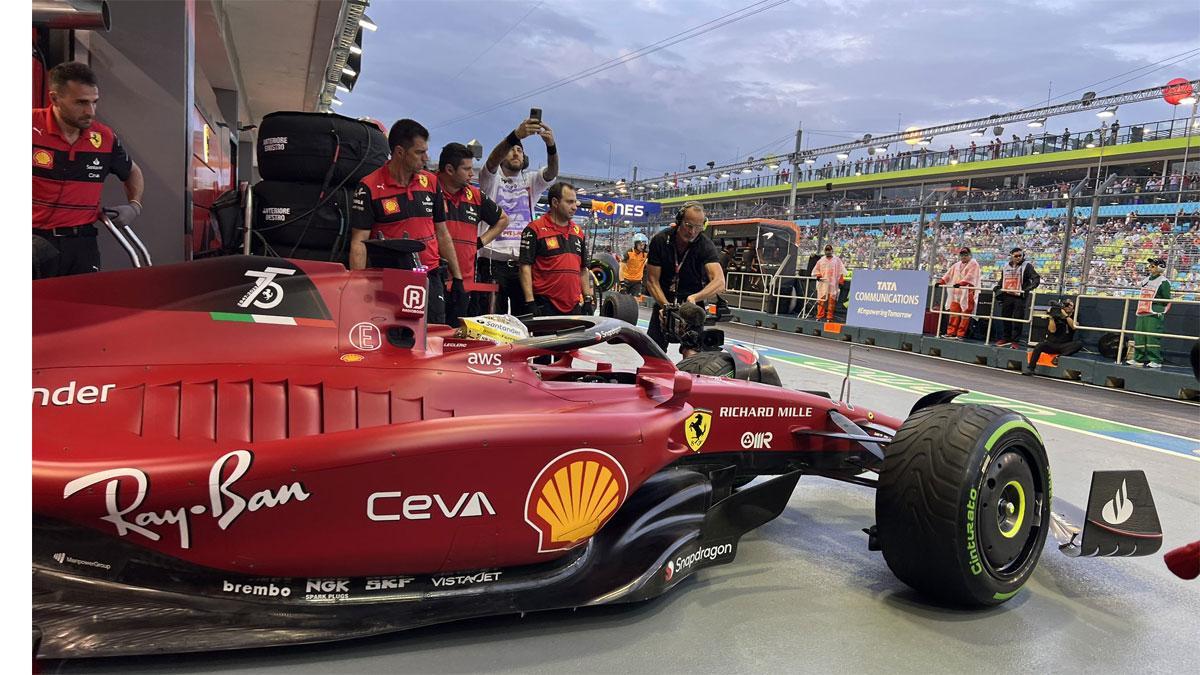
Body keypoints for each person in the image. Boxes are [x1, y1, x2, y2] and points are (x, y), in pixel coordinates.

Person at [33, 61, 145, 278]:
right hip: (33, 239)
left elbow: (132, 171)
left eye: (94, 102)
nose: (90, 111)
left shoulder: (104, 137)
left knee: (85, 299)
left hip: (82, 243)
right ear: (54, 98)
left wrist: (135, 206)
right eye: (81, 103)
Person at [349, 119, 464, 324]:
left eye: (426, 151)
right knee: (392, 336)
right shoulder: (369, 186)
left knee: (432, 335)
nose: (426, 158)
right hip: (389, 278)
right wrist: (358, 285)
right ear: (400, 152)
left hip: (429, 276)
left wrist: (457, 278)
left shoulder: (431, 182)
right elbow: (359, 241)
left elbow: (442, 231)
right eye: (419, 152)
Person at [479, 116, 559, 314]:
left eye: (520, 150)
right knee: (491, 322)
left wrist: (551, 146)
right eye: (511, 149)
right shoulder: (490, 179)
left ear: (525, 158)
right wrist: (516, 136)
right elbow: (491, 161)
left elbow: (551, 172)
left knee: (525, 320)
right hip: (491, 263)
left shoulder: (530, 181)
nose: (516, 152)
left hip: (523, 265)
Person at [436, 142, 509, 325]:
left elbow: (503, 220)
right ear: (449, 169)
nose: (472, 174)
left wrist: (480, 242)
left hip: (463, 283)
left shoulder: (475, 195)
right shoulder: (429, 189)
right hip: (433, 280)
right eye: (467, 169)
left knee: (457, 336)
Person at [644, 202, 725, 355]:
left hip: (691, 307)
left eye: (698, 227)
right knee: (653, 353)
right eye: (688, 225)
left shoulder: (705, 245)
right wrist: (666, 308)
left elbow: (720, 282)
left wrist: (695, 297)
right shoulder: (660, 240)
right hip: (664, 301)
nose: (692, 232)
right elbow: (652, 281)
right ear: (679, 220)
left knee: (692, 354)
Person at [519, 182, 593, 316]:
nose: (574, 207)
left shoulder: (578, 232)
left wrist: (587, 298)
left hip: (574, 306)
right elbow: (525, 267)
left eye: (575, 202)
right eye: (569, 202)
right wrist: (530, 302)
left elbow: (583, 269)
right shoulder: (534, 229)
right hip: (545, 305)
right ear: (555, 202)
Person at [1128, 257, 1171, 368]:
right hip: (1142, 310)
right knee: (1139, 336)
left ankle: (1155, 360)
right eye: (1150, 265)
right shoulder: (1146, 280)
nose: (1150, 267)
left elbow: (1166, 299)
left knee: (1152, 336)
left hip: (1154, 312)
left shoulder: (1164, 282)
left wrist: (1158, 307)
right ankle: (1138, 358)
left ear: (1161, 268)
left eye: (1153, 266)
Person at [993, 247, 1040, 347]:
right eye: (1016, 256)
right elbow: (1003, 279)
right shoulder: (1005, 266)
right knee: (1006, 316)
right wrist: (998, 286)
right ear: (1011, 256)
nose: (1018, 258)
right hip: (1007, 295)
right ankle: (1006, 338)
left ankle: (1015, 340)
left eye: (1020, 256)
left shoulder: (1027, 266)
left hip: (1020, 296)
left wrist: (1029, 288)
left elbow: (1036, 278)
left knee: (1018, 318)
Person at [1024, 298, 1082, 375]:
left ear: (1073, 308)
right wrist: (1052, 318)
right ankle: (1030, 368)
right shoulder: (1057, 314)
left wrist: (1065, 316)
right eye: (1066, 305)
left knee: (1079, 344)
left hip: (1064, 346)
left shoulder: (1074, 316)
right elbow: (1052, 330)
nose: (1068, 307)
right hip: (1052, 344)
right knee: (1039, 345)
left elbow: (1074, 327)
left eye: (1070, 305)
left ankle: (1058, 357)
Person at [938, 247, 981, 339]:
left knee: (965, 314)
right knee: (954, 313)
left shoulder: (974, 264)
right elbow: (948, 275)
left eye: (966, 255)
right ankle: (951, 332)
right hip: (955, 294)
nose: (964, 256)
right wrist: (941, 282)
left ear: (970, 255)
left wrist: (961, 283)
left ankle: (960, 334)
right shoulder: (956, 265)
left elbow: (971, 276)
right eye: (962, 255)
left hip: (968, 293)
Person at [812, 244, 846, 320]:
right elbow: (815, 270)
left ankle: (829, 317)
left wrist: (841, 280)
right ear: (824, 251)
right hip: (823, 283)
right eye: (826, 250)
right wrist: (818, 275)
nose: (828, 251)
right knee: (821, 300)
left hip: (833, 284)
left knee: (832, 301)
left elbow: (841, 271)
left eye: (829, 250)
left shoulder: (837, 260)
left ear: (832, 250)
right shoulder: (821, 260)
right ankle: (820, 316)